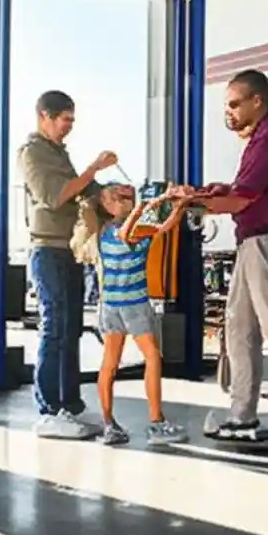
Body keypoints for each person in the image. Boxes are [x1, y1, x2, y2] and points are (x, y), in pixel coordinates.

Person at [192, 69, 268, 443]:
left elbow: (243, 199)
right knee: (239, 328)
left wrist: (193, 204)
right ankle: (242, 416)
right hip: (253, 241)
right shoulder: (260, 137)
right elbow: (242, 190)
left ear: (257, 101)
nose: (229, 112)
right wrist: (212, 192)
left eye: (234, 104)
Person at [17, 90, 118, 439]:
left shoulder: (59, 153)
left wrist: (110, 195)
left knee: (71, 329)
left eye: (72, 121)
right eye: (65, 120)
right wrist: (93, 170)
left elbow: (82, 193)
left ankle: (69, 405)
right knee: (54, 327)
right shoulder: (32, 153)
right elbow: (55, 195)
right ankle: (48, 410)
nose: (69, 128)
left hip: (71, 251)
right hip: (49, 251)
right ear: (45, 115)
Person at [89, 183, 190, 446]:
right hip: (132, 305)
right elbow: (130, 231)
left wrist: (180, 206)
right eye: (119, 198)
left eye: (128, 198)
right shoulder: (121, 231)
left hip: (110, 305)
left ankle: (109, 424)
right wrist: (156, 200)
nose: (126, 202)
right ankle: (155, 422)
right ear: (107, 206)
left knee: (111, 363)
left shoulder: (109, 231)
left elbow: (164, 228)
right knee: (152, 357)